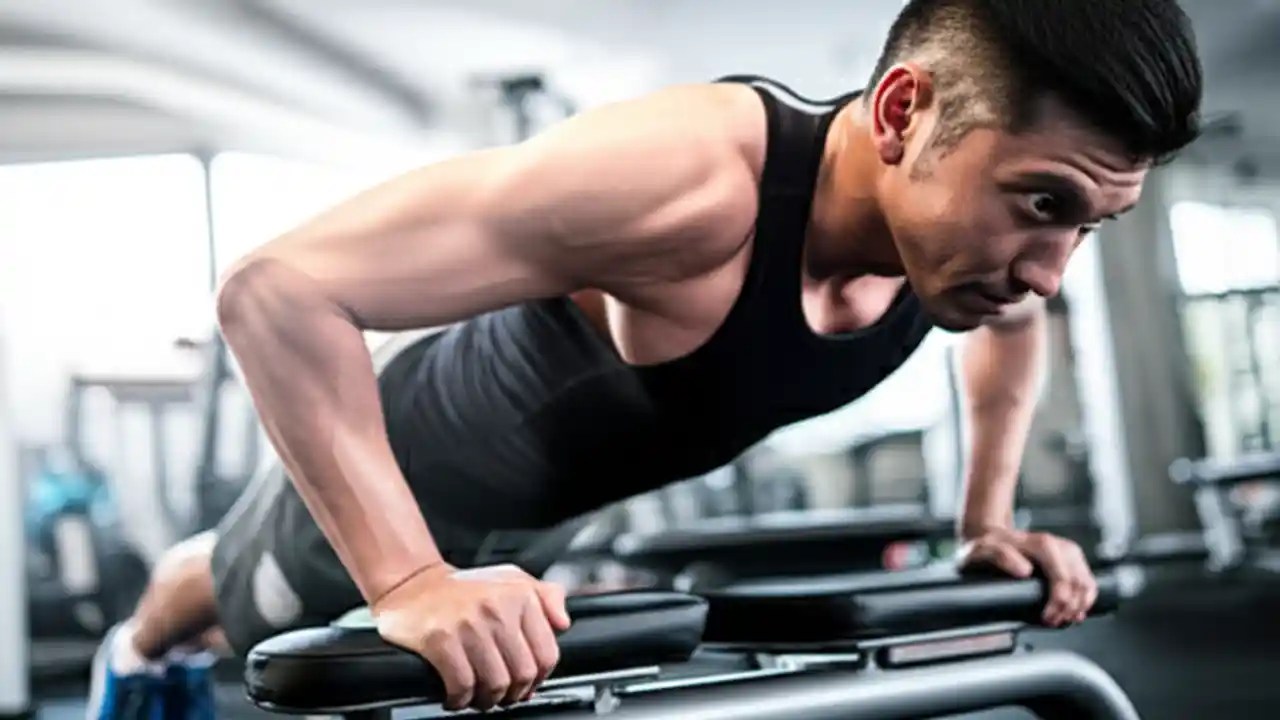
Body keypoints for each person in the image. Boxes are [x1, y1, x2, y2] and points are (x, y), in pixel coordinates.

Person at [88, 0, 1204, 717]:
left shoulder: (967, 256)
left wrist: (985, 520)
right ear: (904, 111)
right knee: (234, 607)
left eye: (1088, 226)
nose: (1048, 272)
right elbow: (277, 288)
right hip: (417, 461)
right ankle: (133, 649)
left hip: (551, 510)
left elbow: (1014, 333)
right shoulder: (690, 181)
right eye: (1040, 204)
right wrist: (410, 579)